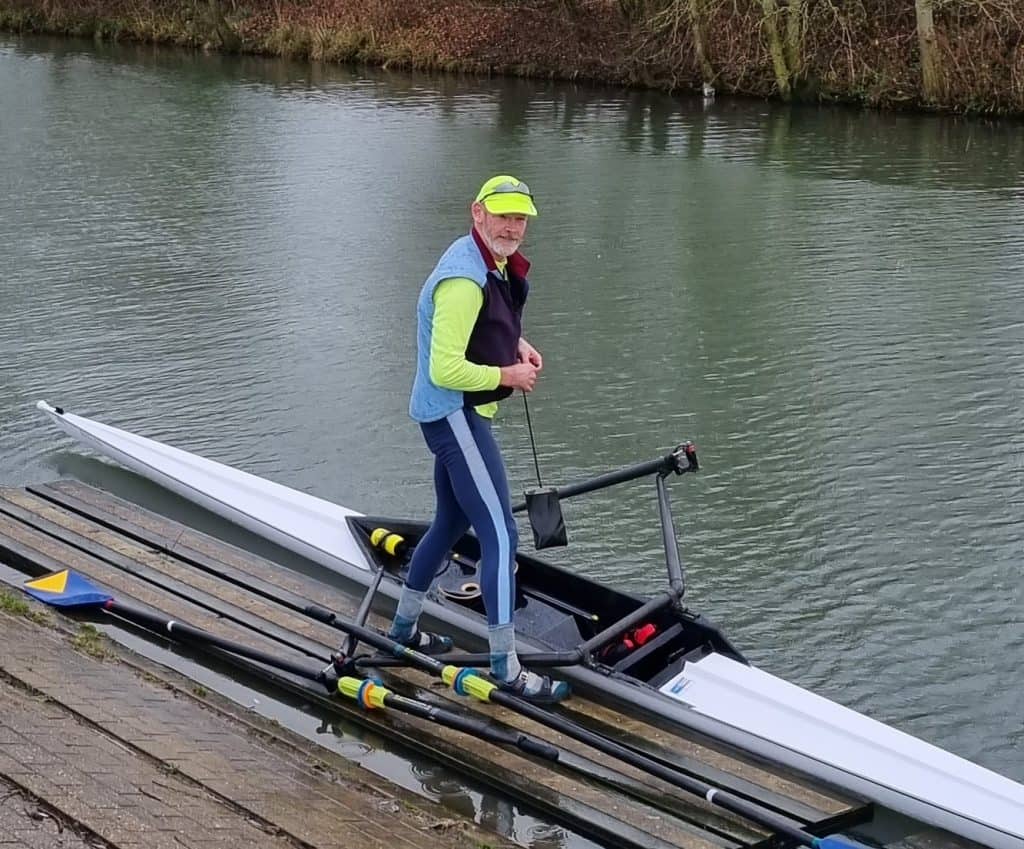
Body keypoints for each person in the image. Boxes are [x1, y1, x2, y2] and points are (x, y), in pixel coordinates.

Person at [386, 174, 570, 704]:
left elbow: (480, 327)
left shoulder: (485, 259)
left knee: (449, 522)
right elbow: (446, 367)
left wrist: (518, 345)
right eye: (503, 215)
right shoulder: (464, 279)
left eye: (521, 218)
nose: (513, 227)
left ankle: (402, 633)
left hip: (456, 413)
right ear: (478, 213)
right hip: (453, 415)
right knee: (500, 536)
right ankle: (506, 670)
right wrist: (508, 377)